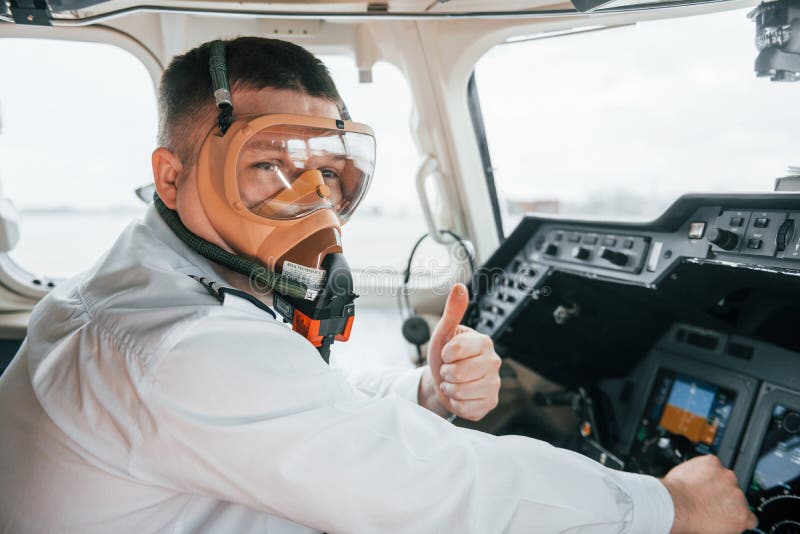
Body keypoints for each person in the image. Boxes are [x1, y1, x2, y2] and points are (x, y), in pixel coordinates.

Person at [0, 37, 756, 533]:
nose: (311, 202)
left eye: (328, 172)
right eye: (268, 165)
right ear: (172, 174)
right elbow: (434, 491)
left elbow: (294, 404)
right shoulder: (176, 344)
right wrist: (669, 506)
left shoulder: (158, 281)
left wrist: (422, 392)